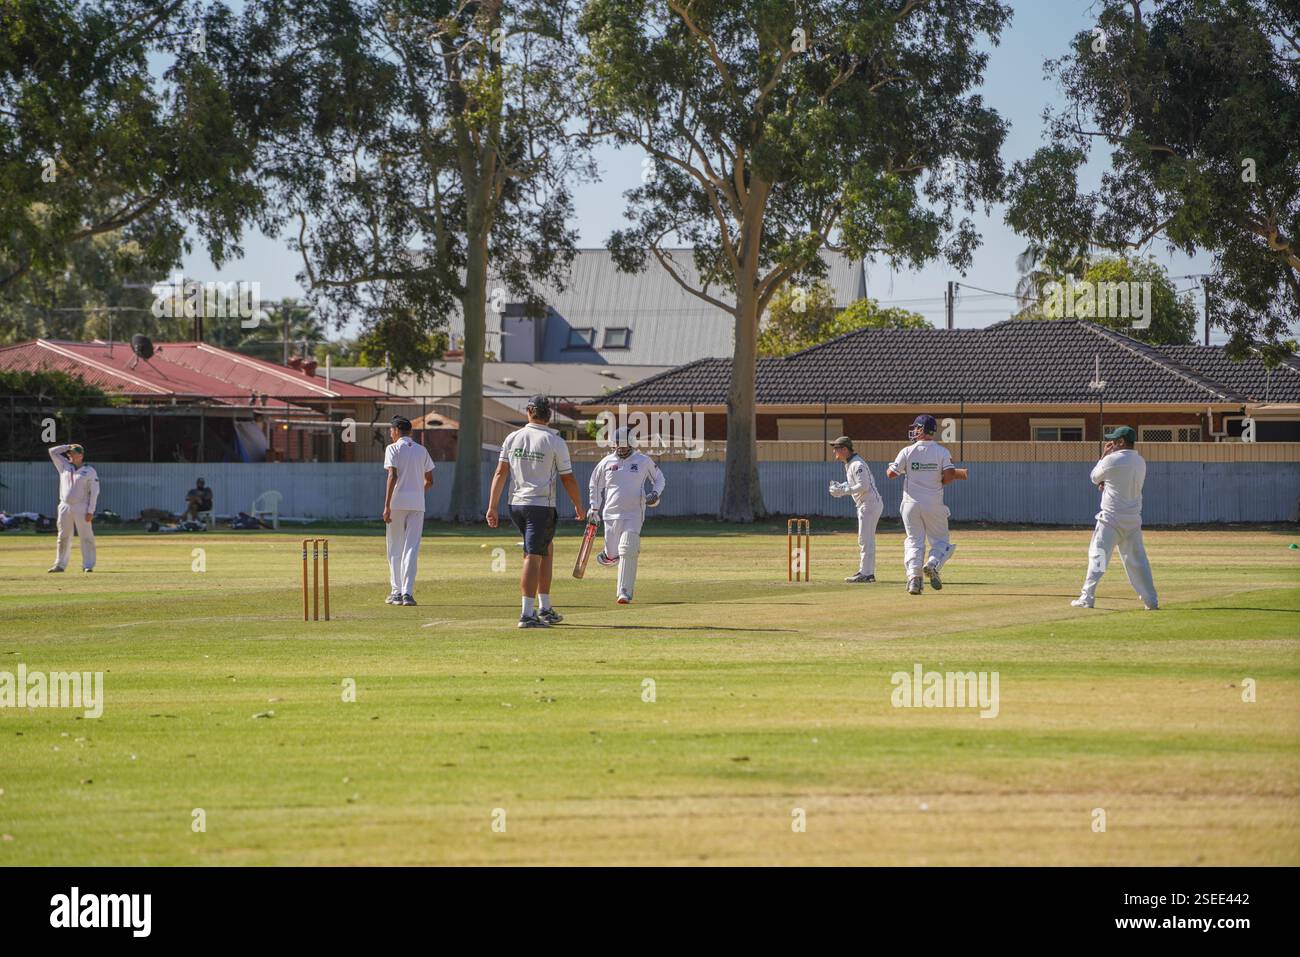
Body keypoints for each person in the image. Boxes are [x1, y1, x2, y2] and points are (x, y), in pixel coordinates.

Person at [486, 395, 584, 628]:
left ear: (529, 411)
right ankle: (527, 614)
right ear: (548, 414)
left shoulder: (513, 437)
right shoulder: (554, 440)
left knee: (545, 549)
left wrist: (492, 506)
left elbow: (500, 473)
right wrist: (579, 504)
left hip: (516, 506)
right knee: (534, 554)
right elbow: (567, 477)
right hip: (540, 505)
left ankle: (545, 608)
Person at [1072, 426, 1159, 610]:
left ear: (1121, 442)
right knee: (1138, 561)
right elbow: (1119, 481)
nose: (1111, 444)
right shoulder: (1140, 461)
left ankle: (1087, 598)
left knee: (1098, 557)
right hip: (1133, 520)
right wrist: (1108, 483)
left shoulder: (1111, 460)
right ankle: (1151, 601)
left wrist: (1104, 455)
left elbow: (1095, 477)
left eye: (1114, 441)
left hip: (1110, 520)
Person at [588, 426, 666, 604]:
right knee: (613, 552)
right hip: (610, 513)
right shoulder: (606, 462)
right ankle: (608, 556)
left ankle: (624, 592)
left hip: (634, 513)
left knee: (628, 548)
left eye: (623, 445)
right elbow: (595, 485)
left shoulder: (643, 460)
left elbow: (660, 479)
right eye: (617, 445)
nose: (620, 449)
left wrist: (655, 493)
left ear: (632, 444)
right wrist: (594, 509)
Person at [887, 414, 958, 595]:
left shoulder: (907, 451)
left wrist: (894, 467)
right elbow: (950, 475)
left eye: (916, 428)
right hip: (934, 502)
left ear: (922, 429)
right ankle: (933, 564)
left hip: (911, 504)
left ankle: (914, 579)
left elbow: (891, 474)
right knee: (941, 541)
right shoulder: (942, 452)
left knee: (914, 541)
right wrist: (939, 481)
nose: (914, 431)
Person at [382, 416, 434, 606]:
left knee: (395, 547)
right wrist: (418, 492)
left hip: (397, 503)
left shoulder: (392, 448)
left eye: (391, 431)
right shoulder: (422, 450)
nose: (390, 434)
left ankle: (396, 592)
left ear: (396, 430)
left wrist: (387, 505)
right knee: (411, 548)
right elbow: (430, 480)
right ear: (409, 432)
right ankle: (407, 593)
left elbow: (392, 475)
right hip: (417, 504)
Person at [827, 436, 883, 583]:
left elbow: (863, 486)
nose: (834, 451)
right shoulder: (851, 463)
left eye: (837, 449)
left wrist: (844, 491)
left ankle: (866, 573)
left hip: (869, 504)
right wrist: (843, 486)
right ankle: (867, 572)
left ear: (845, 449)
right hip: (867, 504)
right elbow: (857, 483)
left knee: (865, 540)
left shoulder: (857, 464)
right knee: (866, 539)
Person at [47, 443, 99, 573]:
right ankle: (60, 564)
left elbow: (95, 492)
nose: (70, 455)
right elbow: (52, 451)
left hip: (82, 506)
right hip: (64, 506)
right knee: (63, 536)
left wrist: (90, 510)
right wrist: (67, 446)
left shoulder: (89, 471)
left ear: (81, 455)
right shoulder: (64, 466)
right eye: (69, 454)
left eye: (74, 453)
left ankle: (88, 565)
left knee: (86, 537)